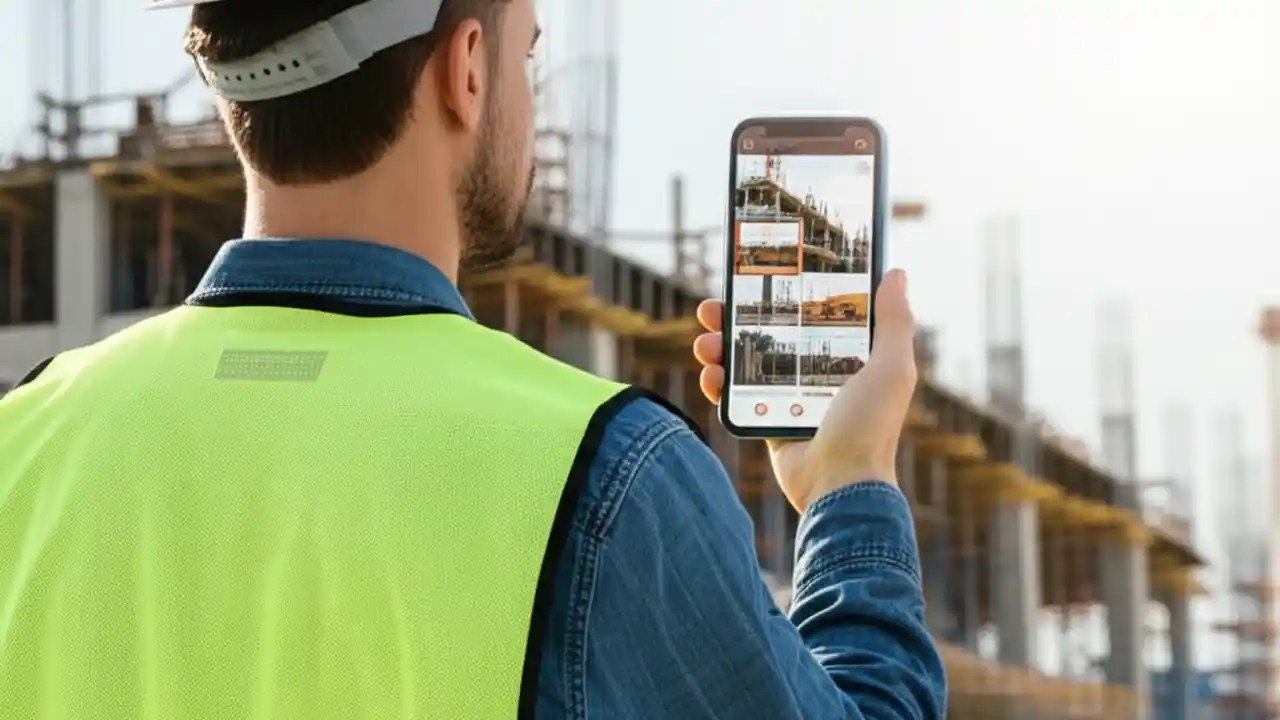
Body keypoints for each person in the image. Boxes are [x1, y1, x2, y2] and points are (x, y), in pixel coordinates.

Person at [0, 0, 946, 717]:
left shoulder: (24, 438)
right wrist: (846, 485)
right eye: (528, 51)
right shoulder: (609, 471)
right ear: (466, 68)